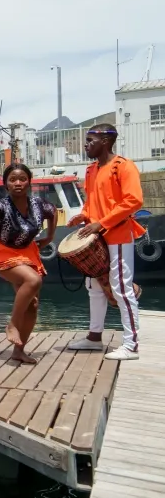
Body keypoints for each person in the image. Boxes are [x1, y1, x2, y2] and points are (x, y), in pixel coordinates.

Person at [66, 123, 144, 361]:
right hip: (95, 237)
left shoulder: (123, 166)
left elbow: (133, 201)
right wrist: (84, 215)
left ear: (106, 141)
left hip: (117, 235)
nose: (86, 145)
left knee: (121, 288)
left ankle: (131, 345)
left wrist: (101, 223)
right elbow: (92, 201)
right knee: (94, 287)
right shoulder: (91, 170)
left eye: (91, 140)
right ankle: (94, 337)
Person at [0, 163, 56, 363]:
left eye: (22, 179)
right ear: (6, 184)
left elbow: (52, 212)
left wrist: (50, 237)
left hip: (28, 253)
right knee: (33, 281)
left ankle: (19, 351)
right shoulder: (2, 205)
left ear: (29, 182)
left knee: (32, 305)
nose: (18, 183)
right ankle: (12, 324)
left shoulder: (39, 204)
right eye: (13, 180)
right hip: (3, 253)